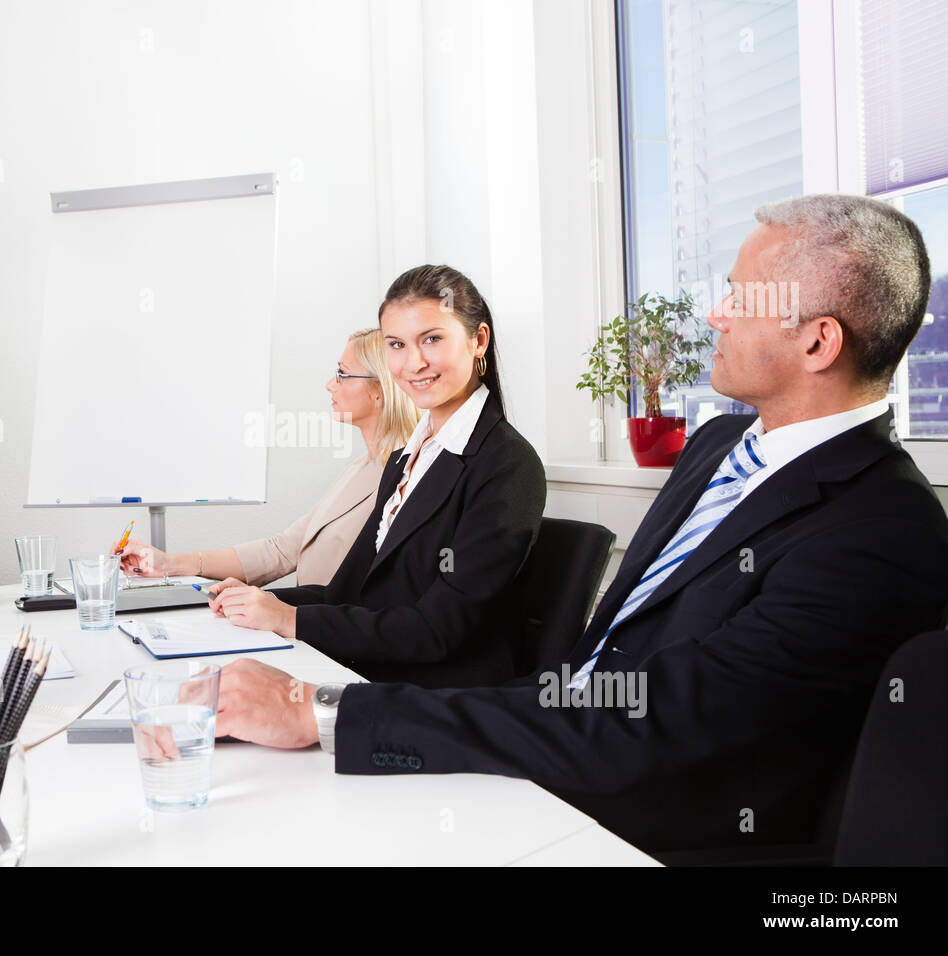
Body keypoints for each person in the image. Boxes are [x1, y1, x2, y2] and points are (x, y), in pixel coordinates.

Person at [212, 195, 948, 862]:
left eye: (738, 297)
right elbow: (589, 674)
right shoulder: (719, 445)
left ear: (819, 343)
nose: (715, 314)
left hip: (642, 824)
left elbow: (654, 718)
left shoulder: (882, 529)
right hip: (557, 742)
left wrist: (327, 710)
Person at [208, 266, 547, 689]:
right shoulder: (409, 455)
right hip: (376, 668)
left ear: (478, 340)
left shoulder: (508, 465)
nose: (414, 363)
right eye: (397, 345)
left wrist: (287, 618)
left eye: (433, 339)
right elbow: (346, 594)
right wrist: (256, 601)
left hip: (437, 693)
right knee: (215, 685)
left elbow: (438, 629)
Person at [116, 330, 418, 587]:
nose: (330, 384)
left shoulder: (411, 476)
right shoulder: (358, 468)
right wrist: (168, 563)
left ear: (380, 392)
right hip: (314, 634)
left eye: (342, 374)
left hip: (343, 643)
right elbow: (282, 551)